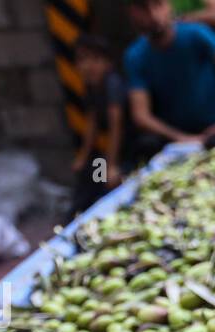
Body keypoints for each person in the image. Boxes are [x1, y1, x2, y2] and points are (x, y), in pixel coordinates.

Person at [124, 0, 215, 151]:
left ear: (168, 6)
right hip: (173, 136)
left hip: (213, 130)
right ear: (132, 12)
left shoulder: (195, 33)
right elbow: (141, 115)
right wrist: (179, 137)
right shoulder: (135, 55)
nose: (153, 14)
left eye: (158, 5)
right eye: (143, 8)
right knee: (146, 145)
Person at [71, 35, 126, 215]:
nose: (87, 66)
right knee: (90, 175)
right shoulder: (92, 87)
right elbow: (92, 124)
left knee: (105, 182)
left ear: (107, 62)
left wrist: (112, 165)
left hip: (128, 150)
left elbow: (115, 127)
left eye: (95, 59)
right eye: (82, 60)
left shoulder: (112, 83)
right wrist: (82, 156)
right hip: (107, 153)